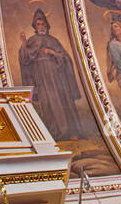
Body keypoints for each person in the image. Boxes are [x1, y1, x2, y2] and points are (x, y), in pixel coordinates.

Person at [17, 10, 85, 141]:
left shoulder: (54, 41)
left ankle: (72, 132)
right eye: (38, 24)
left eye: (43, 24)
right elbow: (25, 59)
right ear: (35, 27)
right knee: (47, 103)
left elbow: (66, 58)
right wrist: (24, 43)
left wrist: (52, 52)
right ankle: (54, 133)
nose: (41, 27)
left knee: (63, 101)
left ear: (46, 25)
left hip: (57, 77)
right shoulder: (32, 41)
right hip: (41, 77)